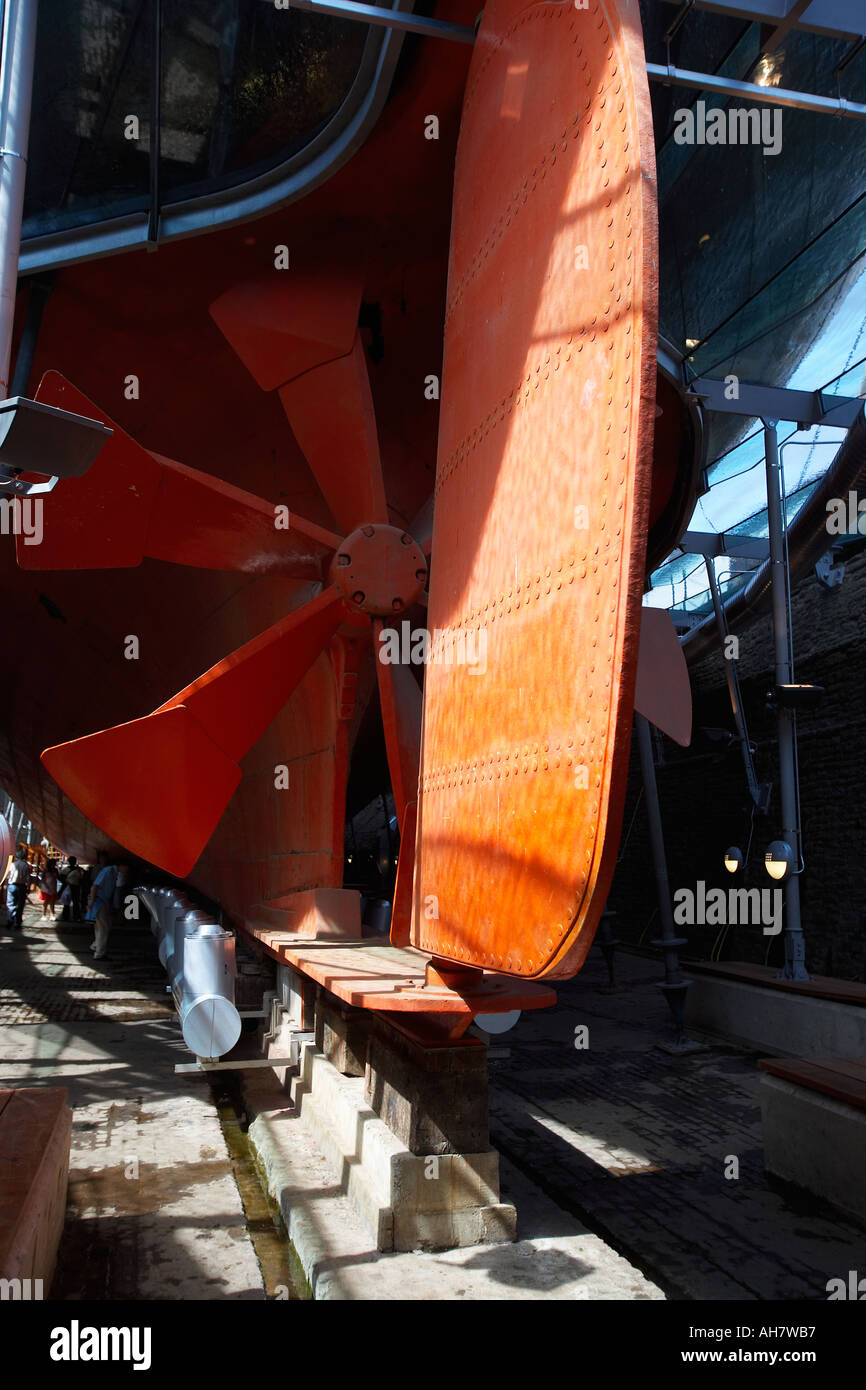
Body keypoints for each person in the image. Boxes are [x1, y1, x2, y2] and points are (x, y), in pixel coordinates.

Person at [86, 851, 118, 960]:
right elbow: (95, 886)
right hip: (100, 901)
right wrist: (91, 903)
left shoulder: (111, 871)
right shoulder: (108, 871)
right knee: (103, 927)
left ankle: (96, 946)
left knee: (102, 926)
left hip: (101, 900)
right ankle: (99, 953)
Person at [6, 848, 31, 930]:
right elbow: (28, 878)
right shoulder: (26, 865)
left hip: (12, 885)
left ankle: (10, 919)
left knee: (10, 904)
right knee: (20, 905)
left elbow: (8, 876)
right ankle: (17, 922)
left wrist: (7, 884)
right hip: (21, 886)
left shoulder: (12, 864)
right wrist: (28, 888)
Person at [60, 855, 84, 921]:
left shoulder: (65, 869)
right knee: (75, 902)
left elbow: (61, 877)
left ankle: (66, 916)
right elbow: (81, 878)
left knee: (67, 903)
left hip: (69, 886)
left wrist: (66, 882)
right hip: (75, 887)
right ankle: (75, 917)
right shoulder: (78, 870)